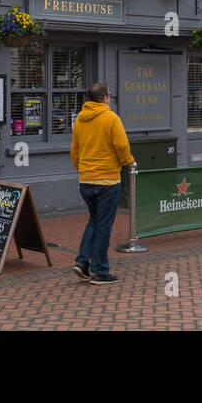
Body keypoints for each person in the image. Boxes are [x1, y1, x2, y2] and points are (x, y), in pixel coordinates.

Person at [70, 82, 134, 285]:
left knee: (95, 221)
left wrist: (83, 169)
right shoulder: (111, 118)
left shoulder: (80, 119)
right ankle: (100, 271)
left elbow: (75, 151)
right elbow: (122, 145)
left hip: (86, 180)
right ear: (105, 97)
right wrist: (129, 161)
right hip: (107, 180)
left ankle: (82, 263)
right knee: (104, 225)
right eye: (109, 95)